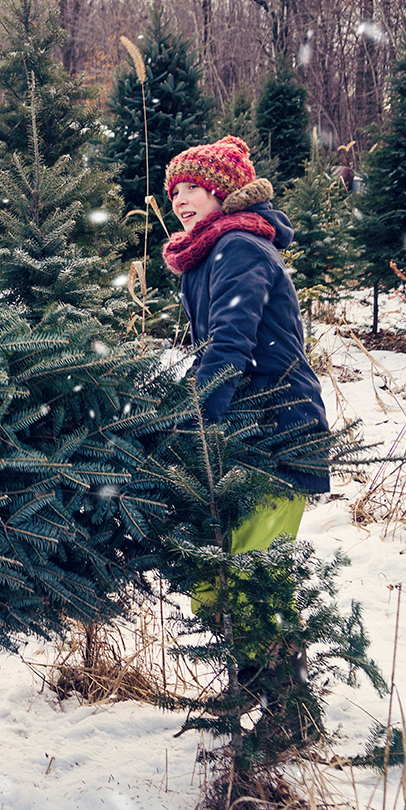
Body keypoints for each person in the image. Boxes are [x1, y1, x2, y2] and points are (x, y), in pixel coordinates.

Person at [162, 134, 330, 667]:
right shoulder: (210, 252)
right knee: (214, 583)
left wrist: (197, 425)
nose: (181, 200)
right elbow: (206, 348)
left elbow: (231, 344)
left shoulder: (238, 247)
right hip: (242, 426)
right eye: (173, 193)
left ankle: (285, 708)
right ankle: (256, 693)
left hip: (278, 428)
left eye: (193, 187)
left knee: (255, 580)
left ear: (223, 192)